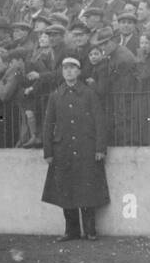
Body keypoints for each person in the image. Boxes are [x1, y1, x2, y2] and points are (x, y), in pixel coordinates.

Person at [41, 56, 109, 241]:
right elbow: (48, 124)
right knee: (66, 191)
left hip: (86, 148)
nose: (69, 72)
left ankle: (90, 230)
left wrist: (100, 148)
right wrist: (48, 151)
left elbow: (99, 121)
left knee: (87, 189)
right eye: (65, 68)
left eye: (73, 68)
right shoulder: (55, 96)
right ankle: (71, 231)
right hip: (63, 150)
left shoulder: (88, 94)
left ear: (79, 72)